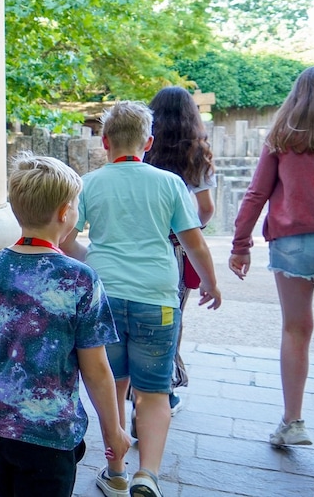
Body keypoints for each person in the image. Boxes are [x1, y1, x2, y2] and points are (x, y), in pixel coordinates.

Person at [0, 153, 130, 497]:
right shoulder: (79, 278)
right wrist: (113, 430)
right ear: (64, 213)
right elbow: (97, 370)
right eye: (75, 205)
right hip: (48, 436)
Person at [60, 101, 222, 497]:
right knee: (153, 393)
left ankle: (115, 470)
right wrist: (210, 282)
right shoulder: (169, 184)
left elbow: (64, 238)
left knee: (111, 386)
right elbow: (194, 241)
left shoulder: (89, 183)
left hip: (106, 300)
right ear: (148, 142)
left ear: (104, 141)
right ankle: (147, 474)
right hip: (158, 300)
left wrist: (93, 262)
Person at [229, 66, 314, 450]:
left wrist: (240, 244)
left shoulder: (282, 137)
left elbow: (256, 194)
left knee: (296, 330)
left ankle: (293, 422)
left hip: (293, 241)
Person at [142, 86, 216, 416]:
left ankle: (136, 386)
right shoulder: (197, 153)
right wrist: (188, 230)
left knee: (138, 312)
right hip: (177, 249)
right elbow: (206, 209)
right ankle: (163, 388)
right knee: (171, 316)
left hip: (142, 240)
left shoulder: (145, 150)